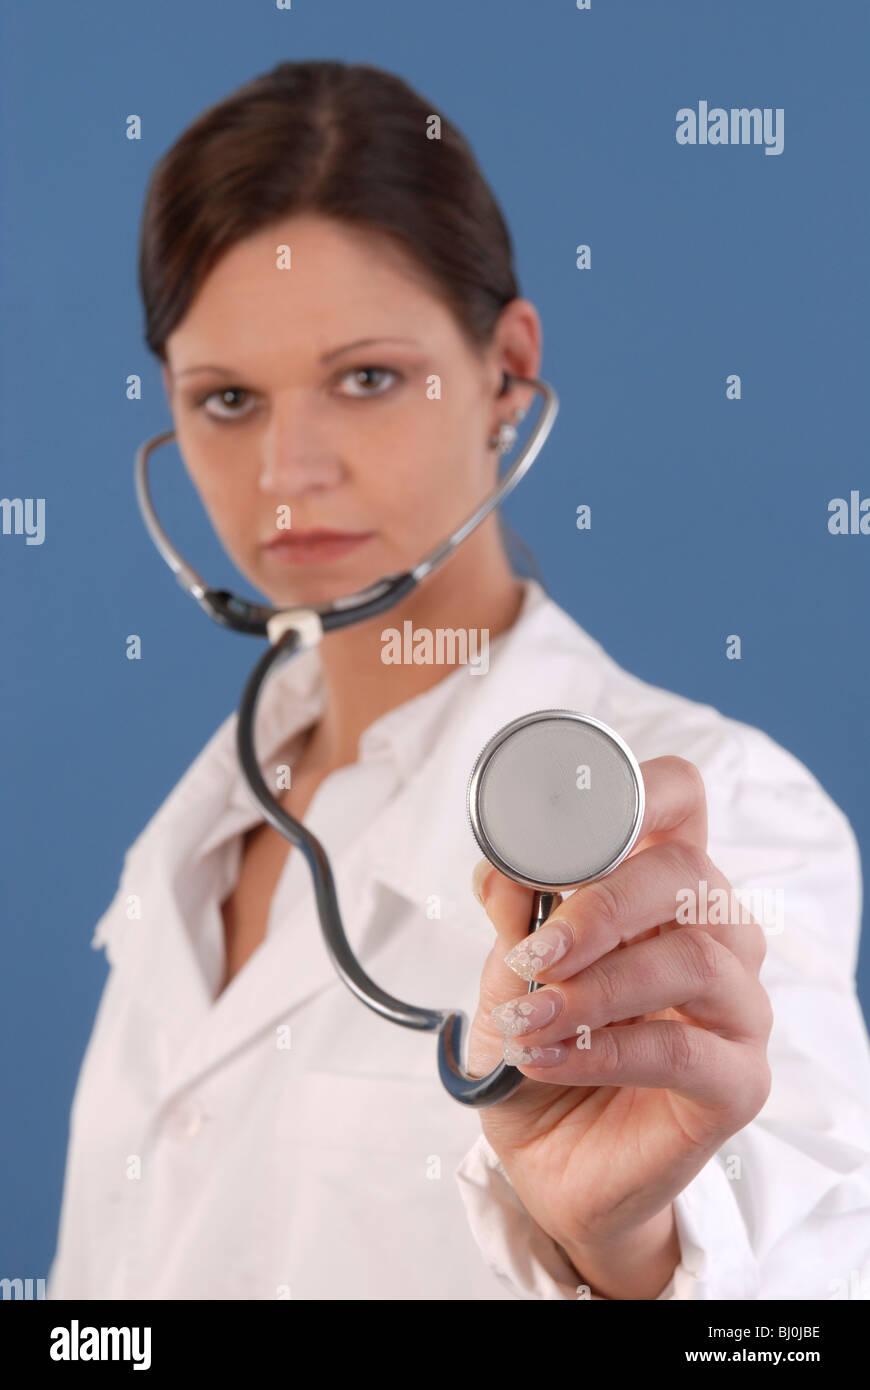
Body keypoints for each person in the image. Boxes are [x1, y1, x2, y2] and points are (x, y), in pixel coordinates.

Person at [48, 59, 870, 1301]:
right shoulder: (214, 823)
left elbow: (795, 1297)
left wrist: (624, 1249)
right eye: (226, 399)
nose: (289, 468)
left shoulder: (712, 818)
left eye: (366, 377)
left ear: (506, 370)